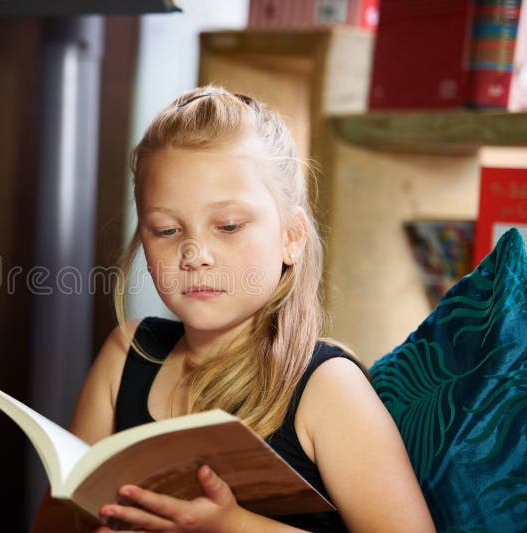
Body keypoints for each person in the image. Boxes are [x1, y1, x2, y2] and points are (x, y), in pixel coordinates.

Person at [31, 85, 436, 532]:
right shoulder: (126, 355)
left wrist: (235, 527)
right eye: (166, 230)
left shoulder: (328, 389)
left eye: (227, 226)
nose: (195, 254)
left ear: (292, 237)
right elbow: (53, 525)